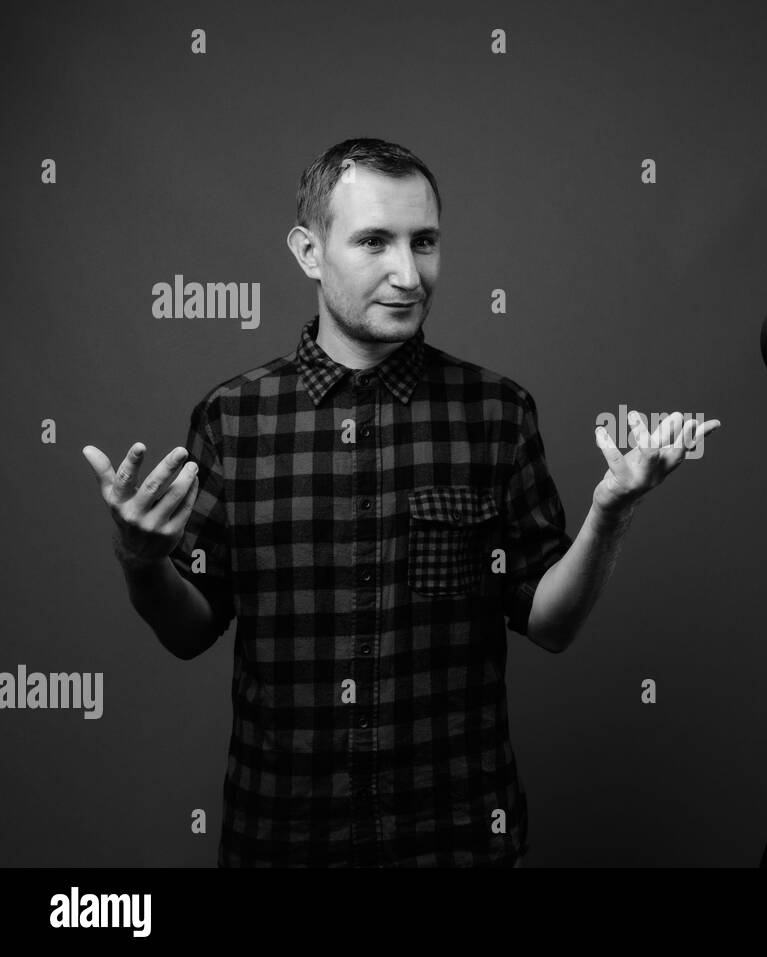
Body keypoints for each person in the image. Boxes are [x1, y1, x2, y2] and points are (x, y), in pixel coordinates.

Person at [81, 138, 720, 867]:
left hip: (459, 841)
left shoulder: (497, 412)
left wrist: (611, 513)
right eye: (374, 241)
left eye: (424, 242)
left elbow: (549, 623)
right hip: (282, 839)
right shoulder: (233, 419)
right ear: (308, 251)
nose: (408, 273)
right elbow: (191, 627)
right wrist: (140, 561)